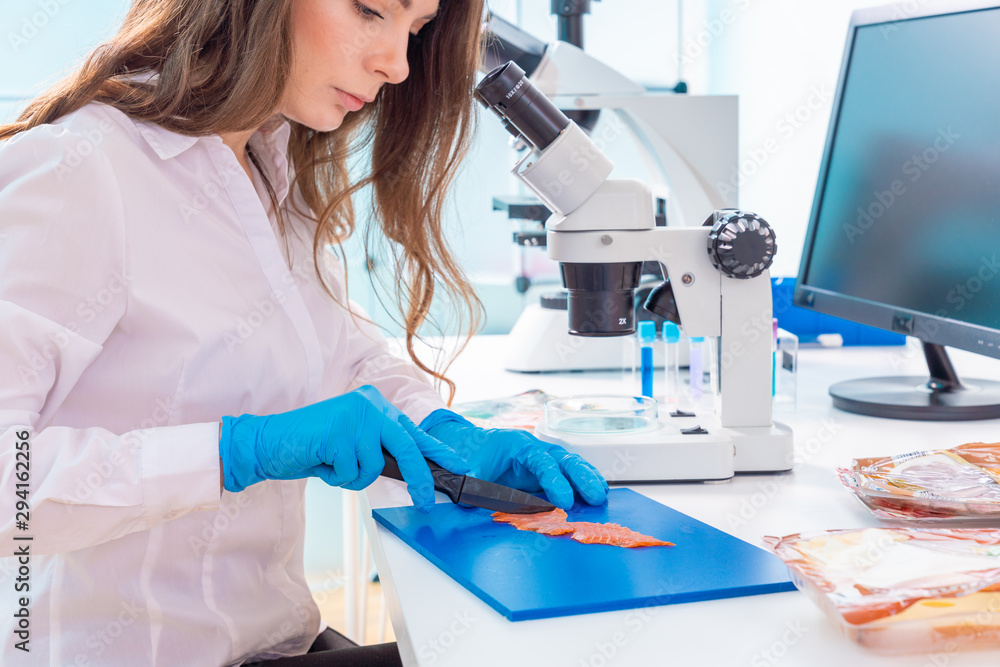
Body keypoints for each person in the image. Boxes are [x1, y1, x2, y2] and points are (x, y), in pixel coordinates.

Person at [0, 1, 610, 665]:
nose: (397, 65)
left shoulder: (268, 165)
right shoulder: (82, 170)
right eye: (372, 9)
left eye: (415, 29)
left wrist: (447, 437)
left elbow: (341, 355)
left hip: (279, 644)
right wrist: (235, 452)